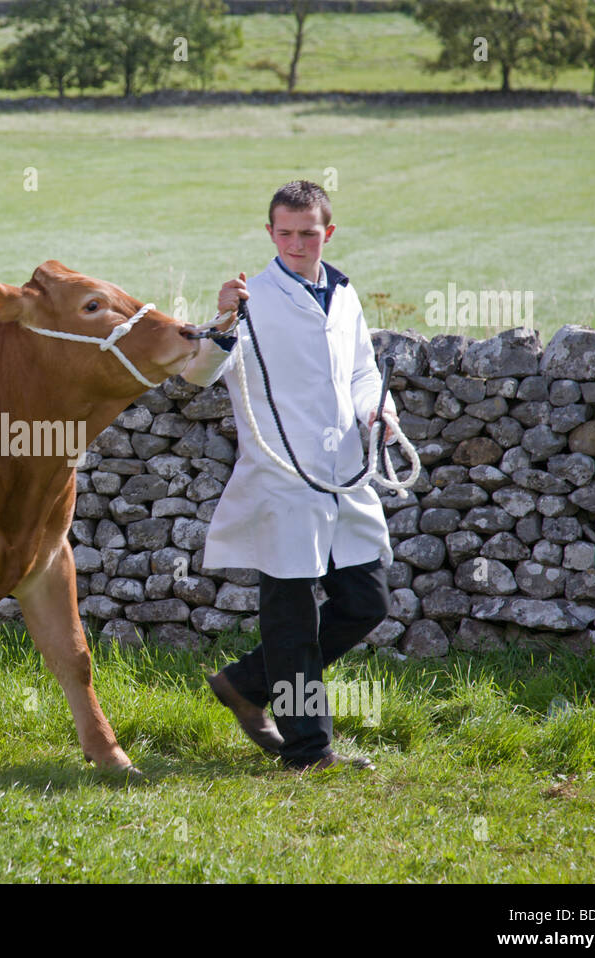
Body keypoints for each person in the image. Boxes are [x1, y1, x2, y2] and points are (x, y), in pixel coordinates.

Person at [179, 180, 398, 772]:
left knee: (366, 600)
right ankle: (308, 750)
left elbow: (360, 371)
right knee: (292, 615)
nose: (297, 242)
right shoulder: (250, 298)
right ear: (270, 233)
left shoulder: (344, 293)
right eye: (285, 232)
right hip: (280, 479)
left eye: (308, 232)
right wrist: (222, 319)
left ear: (328, 232)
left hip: (343, 473)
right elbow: (201, 372)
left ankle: (247, 683)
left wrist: (378, 410)